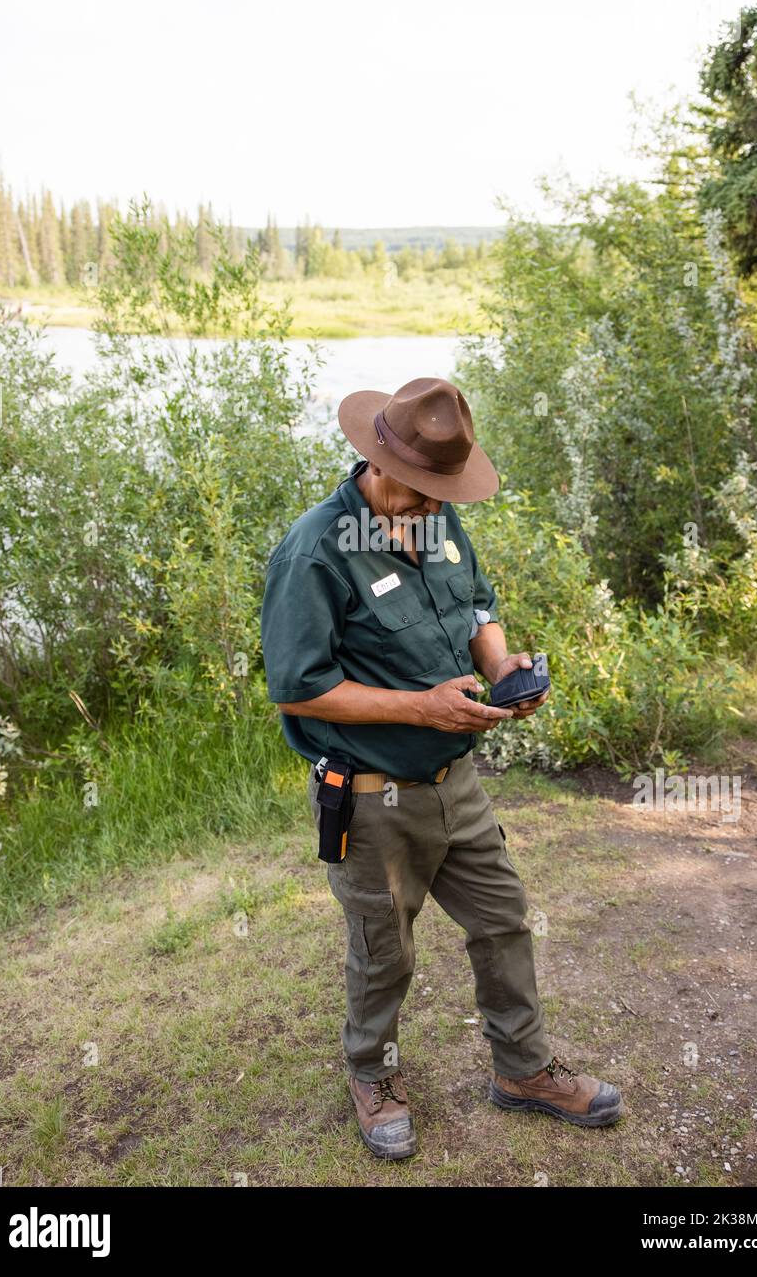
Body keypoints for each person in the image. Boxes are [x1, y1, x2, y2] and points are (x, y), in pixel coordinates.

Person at [260, 376, 623, 1159]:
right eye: (421, 494)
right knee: (384, 950)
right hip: (370, 795)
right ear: (377, 461)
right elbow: (298, 688)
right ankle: (372, 1075)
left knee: (502, 922)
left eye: (441, 495)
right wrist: (419, 706)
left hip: (455, 782)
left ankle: (523, 1071)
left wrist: (502, 669)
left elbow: (478, 608)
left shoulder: (436, 514)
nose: (433, 510)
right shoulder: (314, 550)